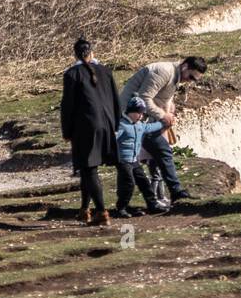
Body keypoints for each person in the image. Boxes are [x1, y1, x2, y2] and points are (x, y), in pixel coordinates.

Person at [118, 56, 206, 202]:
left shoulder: (175, 75)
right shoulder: (164, 71)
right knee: (161, 152)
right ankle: (173, 192)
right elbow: (144, 97)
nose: (191, 81)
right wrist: (163, 115)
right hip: (132, 119)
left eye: (194, 80)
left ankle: (158, 197)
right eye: (191, 77)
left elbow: (162, 95)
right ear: (185, 66)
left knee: (151, 158)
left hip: (143, 119)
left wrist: (169, 107)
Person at [60, 38, 120, 227]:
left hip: (86, 127)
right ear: (92, 52)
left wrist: (67, 130)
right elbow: (115, 99)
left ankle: (101, 211)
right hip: (107, 123)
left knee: (88, 168)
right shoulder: (105, 71)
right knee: (87, 168)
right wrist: (115, 124)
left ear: (75, 54)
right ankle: (84, 210)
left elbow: (67, 106)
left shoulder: (72, 74)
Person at [114, 96, 169, 218]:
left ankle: (152, 204)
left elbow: (149, 127)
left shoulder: (139, 124)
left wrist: (162, 123)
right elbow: (111, 140)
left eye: (142, 114)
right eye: (138, 113)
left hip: (134, 160)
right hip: (123, 160)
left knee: (144, 182)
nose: (140, 116)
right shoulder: (122, 125)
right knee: (128, 184)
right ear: (130, 111)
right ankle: (121, 208)